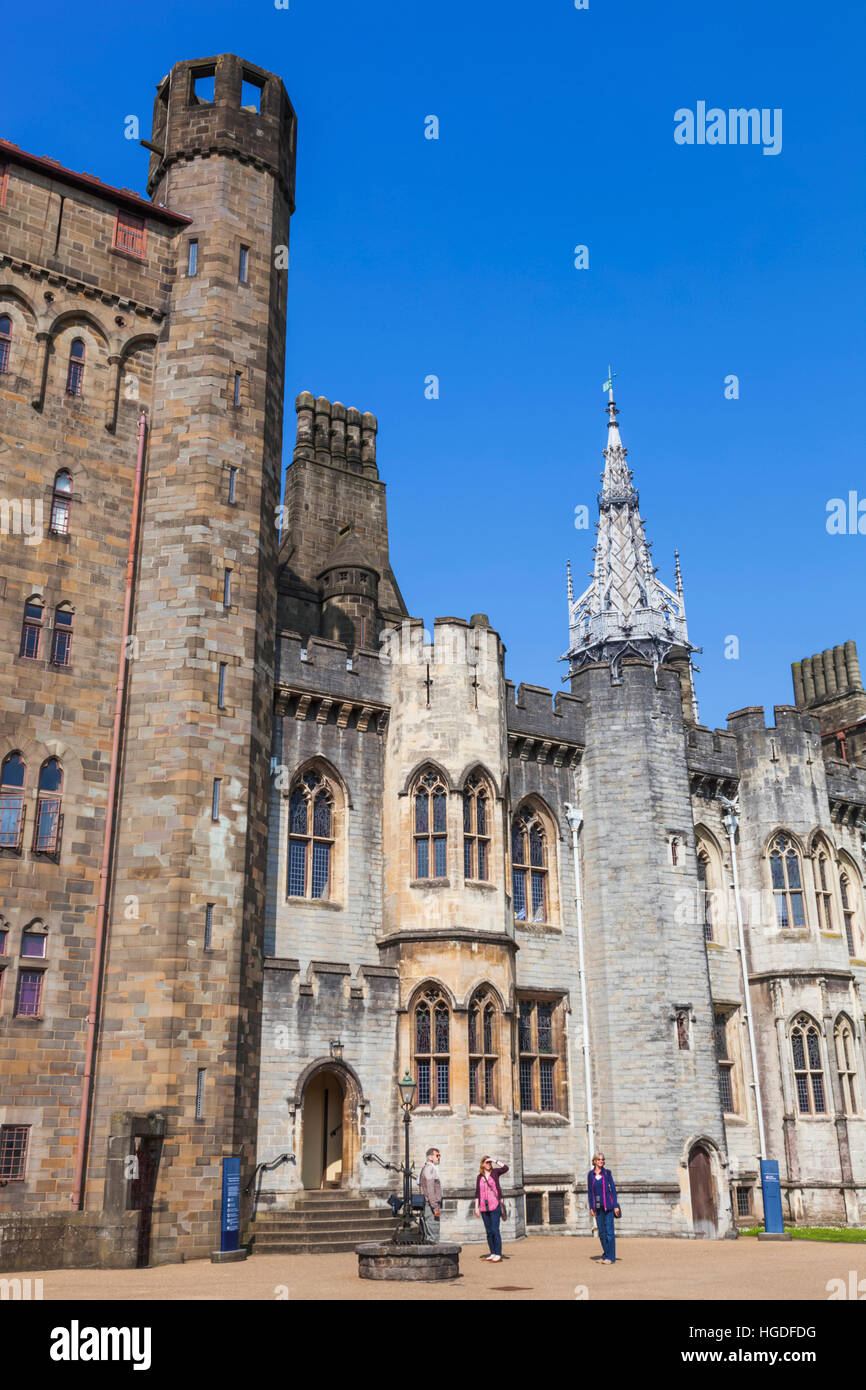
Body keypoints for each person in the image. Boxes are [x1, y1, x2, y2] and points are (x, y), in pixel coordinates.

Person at [587, 1151, 620, 1264]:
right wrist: (591, 1207)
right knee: (602, 1233)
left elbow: (613, 1191)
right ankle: (606, 1254)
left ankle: (611, 1258)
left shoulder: (607, 1173)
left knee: (610, 1232)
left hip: (609, 1206)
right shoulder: (590, 1175)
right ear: (595, 1161)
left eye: (603, 1159)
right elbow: (590, 1192)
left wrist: (615, 1206)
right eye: (599, 1159)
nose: (601, 1161)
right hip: (597, 1206)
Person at [474, 1155, 509, 1262]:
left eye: (490, 1163)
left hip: (495, 1205)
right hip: (484, 1207)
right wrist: (476, 1207)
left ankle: (498, 1253)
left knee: (495, 1230)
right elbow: (477, 1193)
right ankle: (493, 1252)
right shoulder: (479, 1177)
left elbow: (506, 1168)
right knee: (489, 1231)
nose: (489, 1164)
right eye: (487, 1162)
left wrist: (494, 1160)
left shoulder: (495, 1173)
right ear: (482, 1164)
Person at [418, 1147, 442, 1242]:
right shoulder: (430, 1169)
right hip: (431, 1205)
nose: (439, 1157)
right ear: (430, 1157)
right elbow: (430, 1190)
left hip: (429, 1205)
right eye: (437, 1155)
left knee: (430, 1233)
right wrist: (435, 1207)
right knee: (433, 1233)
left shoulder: (427, 1168)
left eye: (439, 1155)